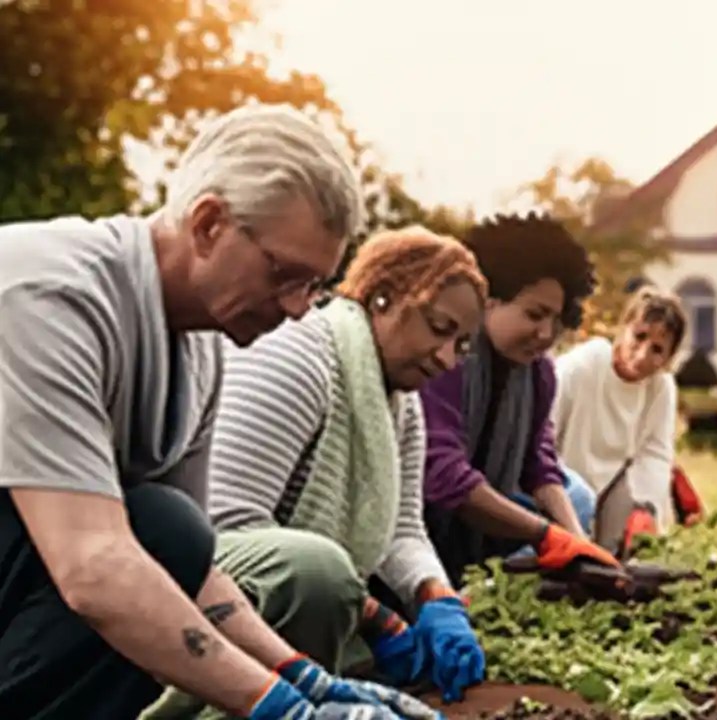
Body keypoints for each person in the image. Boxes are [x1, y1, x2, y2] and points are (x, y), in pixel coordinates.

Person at [0, 104, 433, 720]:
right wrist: (282, 711)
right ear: (208, 224)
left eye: (315, 286)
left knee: (172, 532)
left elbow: (191, 568)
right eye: (286, 275)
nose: (297, 310)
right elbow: (95, 568)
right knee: (155, 529)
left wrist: (306, 679)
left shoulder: (202, 344)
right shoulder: (51, 296)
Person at [142, 227, 488, 718]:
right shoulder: (299, 357)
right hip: (200, 588)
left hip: (302, 593)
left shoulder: (400, 403)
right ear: (384, 297)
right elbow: (221, 525)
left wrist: (438, 598)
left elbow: (403, 527)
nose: (448, 358)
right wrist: (376, 617)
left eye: (462, 344)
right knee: (315, 570)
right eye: (438, 327)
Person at [419, 212, 621, 587]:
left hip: (489, 498)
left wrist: (579, 540)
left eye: (555, 320)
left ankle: (506, 580)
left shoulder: (537, 373)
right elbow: (443, 475)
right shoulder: (446, 358)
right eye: (534, 314)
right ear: (488, 300)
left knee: (576, 499)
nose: (545, 333)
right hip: (423, 519)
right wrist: (545, 536)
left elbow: (538, 463)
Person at [552, 287, 694, 555]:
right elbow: (543, 435)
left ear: (668, 358)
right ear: (624, 328)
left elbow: (655, 454)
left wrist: (645, 506)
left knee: (632, 541)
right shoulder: (584, 365)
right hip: (561, 479)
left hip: (611, 486)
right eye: (638, 337)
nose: (642, 355)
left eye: (657, 349)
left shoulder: (660, 388)